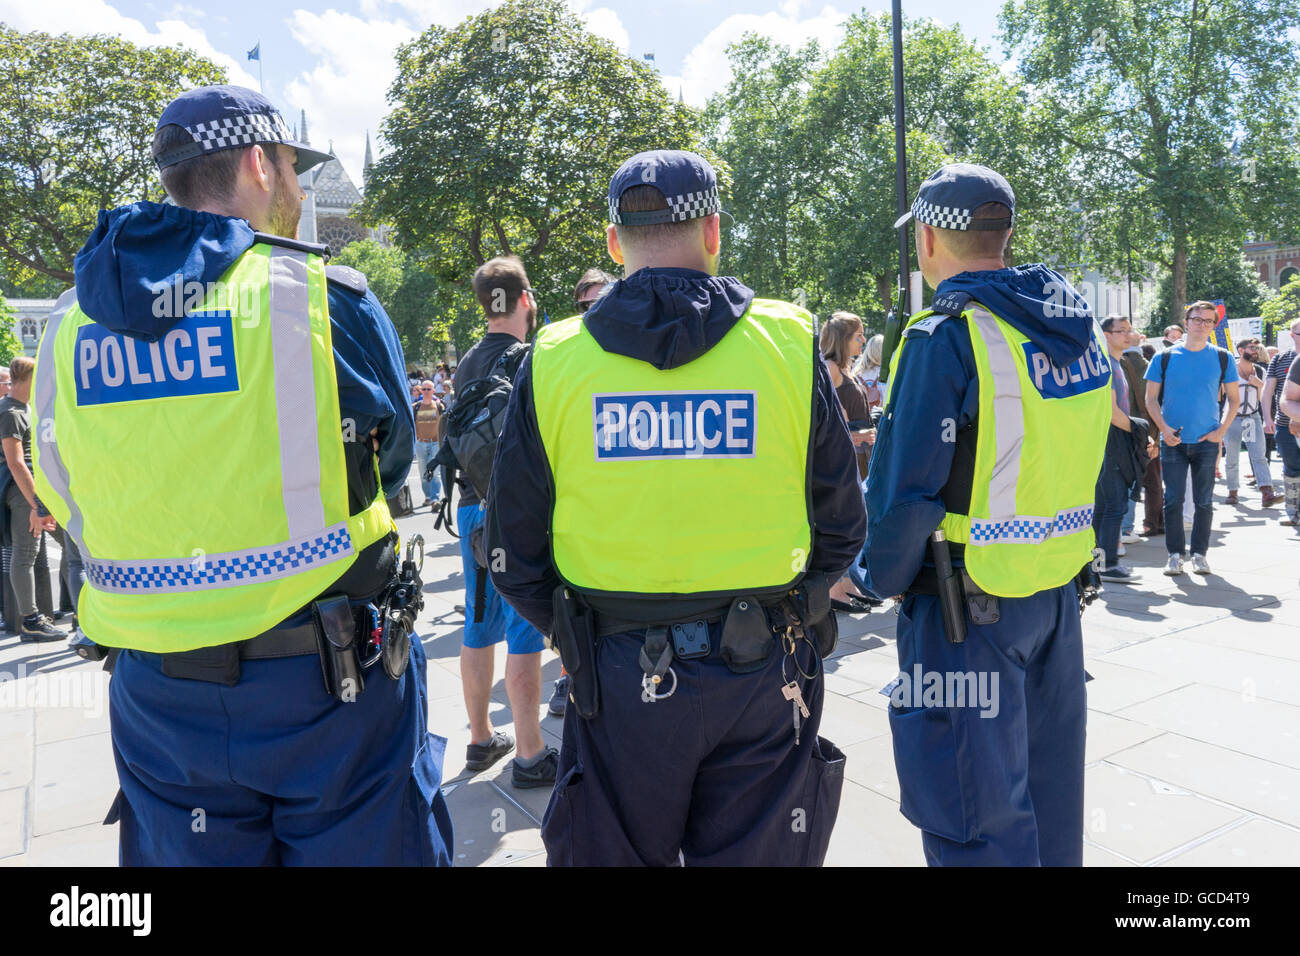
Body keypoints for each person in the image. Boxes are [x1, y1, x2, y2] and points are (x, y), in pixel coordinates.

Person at [33, 85, 451, 865]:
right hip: (327, 689)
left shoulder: (67, 325)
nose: (294, 185)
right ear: (260, 164)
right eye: (292, 165)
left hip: (159, 695)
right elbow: (388, 464)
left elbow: (61, 483)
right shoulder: (320, 295)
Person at [486, 149, 865, 865]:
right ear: (714, 231)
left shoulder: (556, 356)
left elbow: (512, 550)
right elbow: (843, 521)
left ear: (613, 241)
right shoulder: (786, 340)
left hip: (621, 674)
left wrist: (578, 640)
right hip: (763, 668)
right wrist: (799, 603)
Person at [853, 163, 1110, 866]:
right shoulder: (1072, 327)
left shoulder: (945, 334)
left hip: (968, 613)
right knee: (1052, 805)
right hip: (1056, 595)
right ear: (1005, 232)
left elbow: (905, 493)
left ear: (929, 238)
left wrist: (868, 576)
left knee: (973, 815)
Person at [453, 255, 555, 789]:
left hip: (470, 506)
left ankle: (479, 738)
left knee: (478, 624)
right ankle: (531, 754)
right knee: (524, 630)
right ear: (526, 300)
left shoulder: (468, 361)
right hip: (514, 514)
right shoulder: (529, 359)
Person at [1144, 300, 1239, 575]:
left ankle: (1199, 554)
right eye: (1197, 319)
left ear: (1214, 325)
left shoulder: (1223, 357)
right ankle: (1175, 554)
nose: (1202, 325)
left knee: (1204, 502)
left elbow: (1233, 400)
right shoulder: (1164, 357)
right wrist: (1163, 429)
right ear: (1186, 322)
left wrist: (1220, 431)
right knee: (1172, 500)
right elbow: (1150, 400)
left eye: (1208, 321)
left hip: (1207, 442)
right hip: (1173, 441)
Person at [0, 356, 63, 640]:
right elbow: (16, 462)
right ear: (30, 379)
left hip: (33, 490)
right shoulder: (11, 411)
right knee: (25, 554)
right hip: (23, 491)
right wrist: (36, 504)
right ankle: (30, 619)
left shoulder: (23, 408)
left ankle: (33, 617)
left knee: (57, 546)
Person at [1093, 316, 1151, 582]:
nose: (1129, 335)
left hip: (1111, 441)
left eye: (1130, 330)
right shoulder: (1105, 364)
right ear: (1106, 335)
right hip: (1110, 442)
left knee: (1105, 506)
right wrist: (1140, 433)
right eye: (1122, 331)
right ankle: (1106, 565)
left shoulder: (1116, 363)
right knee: (1113, 505)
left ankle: (1098, 564)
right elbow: (1111, 413)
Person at [1224, 338, 1278, 506]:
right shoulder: (1230, 369)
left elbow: (1266, 396)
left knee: (1258, 455)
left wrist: (1259, 385)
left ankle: (1267, 492)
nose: (1256, 351)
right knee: (1232, 457)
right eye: (1252, 348)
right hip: (1232, 418)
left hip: (1251, 418)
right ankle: (1233, 491)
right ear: (1241, 351)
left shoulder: (1260, 371)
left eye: (1257, 348)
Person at [1263, 318, 1300, 525]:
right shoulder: (1281, 359)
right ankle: (1292, 513)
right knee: (1292, 468)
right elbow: (1268, 391)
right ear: (1292, 335)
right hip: (1285, 425)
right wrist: (1267, 418)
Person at [412, 380, 444, 508]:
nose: (425, 392)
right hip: (421, 444)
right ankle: (428, 497)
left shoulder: (439, 406)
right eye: (423, 389)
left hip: (435, 443)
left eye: (428, 389)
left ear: (433, 391)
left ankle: (435, 499)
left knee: (435, 472)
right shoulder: (415, 407)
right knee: (423, 473)